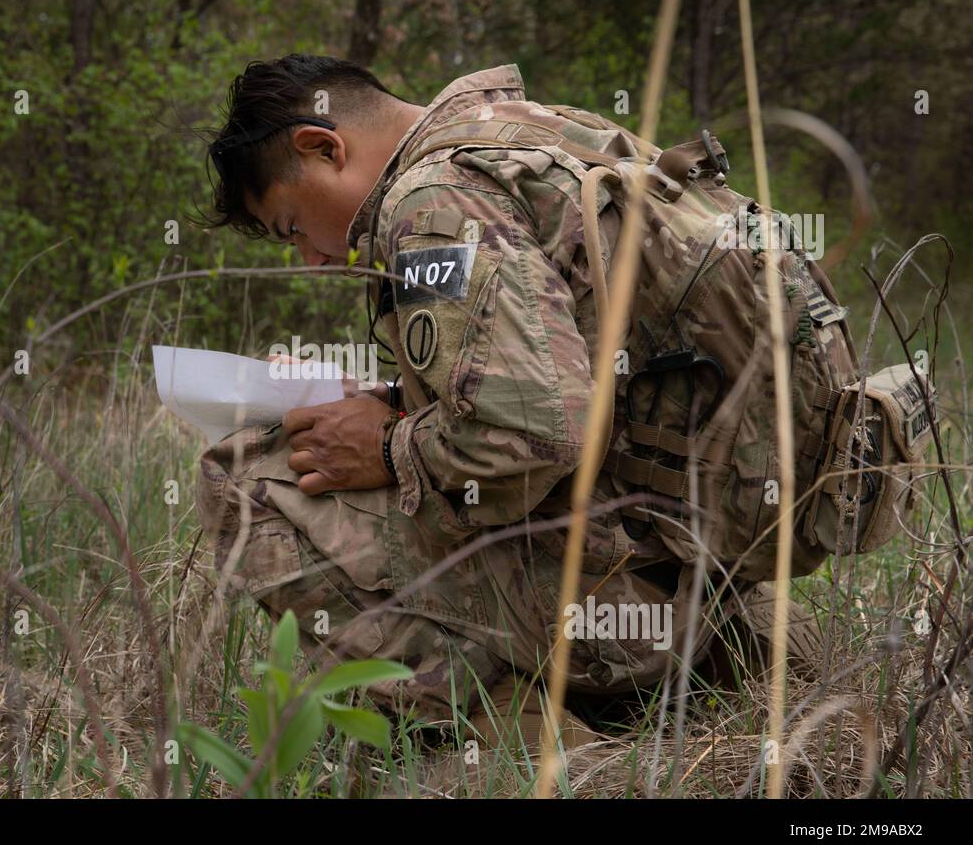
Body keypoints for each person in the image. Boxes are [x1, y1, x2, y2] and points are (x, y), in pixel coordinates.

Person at [195, 54, 816, 739]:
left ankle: (528, 747)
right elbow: (579, 376)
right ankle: (730, 659)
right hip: (711, 576)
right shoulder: (537, 138)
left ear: (322, 147)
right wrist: (391, 403)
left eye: (291, 227)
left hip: (624, 609)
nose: (314, 258)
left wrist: (384, 446)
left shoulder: (431, 203)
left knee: (245, 470)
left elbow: (533, 436)